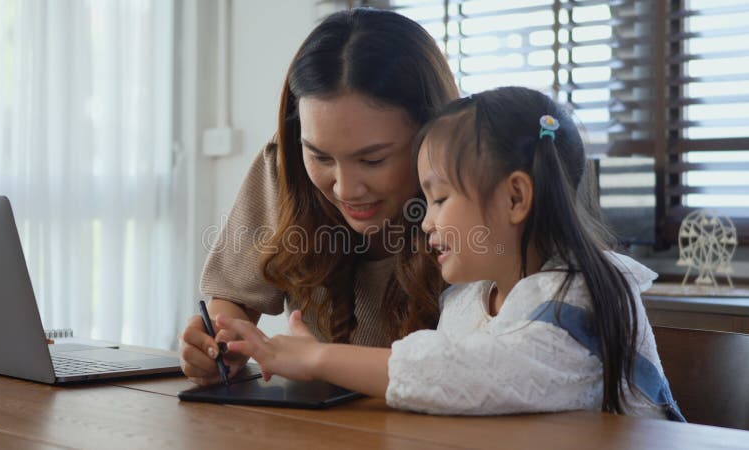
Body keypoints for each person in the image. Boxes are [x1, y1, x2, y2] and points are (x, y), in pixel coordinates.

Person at [217, 87, 686, 420]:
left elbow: (461, 375)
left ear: (515, 199)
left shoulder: (583, 295)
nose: (425, 221)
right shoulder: (467, 298)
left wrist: (316, 359)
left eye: (439, 199)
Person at [179, 8, 459, 386]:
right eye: (321, 156)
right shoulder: (286, 166)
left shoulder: (475, 188)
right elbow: (232, 304)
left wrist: (319, 359)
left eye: (372, 159)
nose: (345, 188)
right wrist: (218, 348)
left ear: (430, 136)